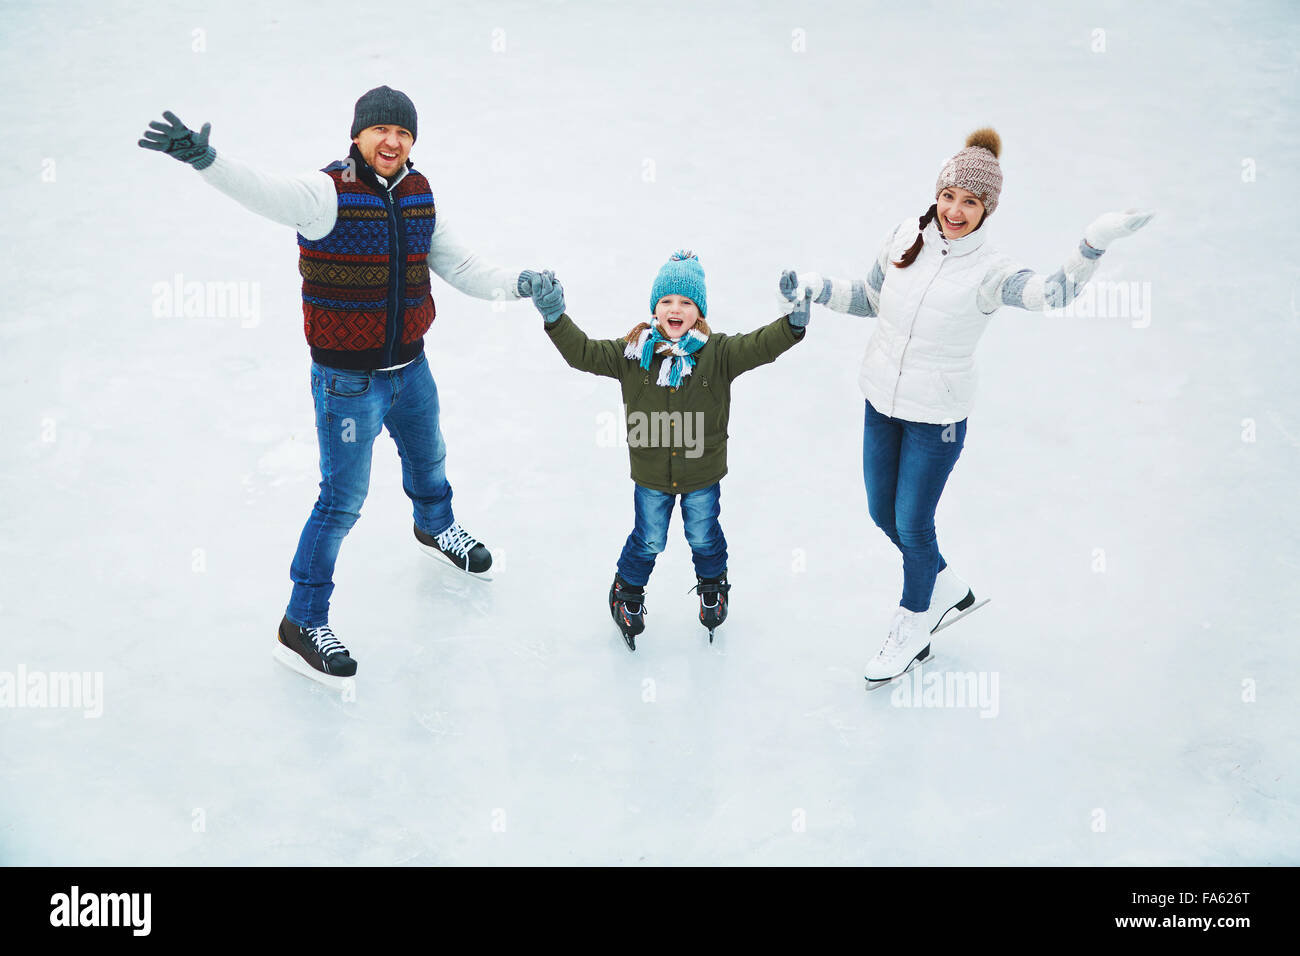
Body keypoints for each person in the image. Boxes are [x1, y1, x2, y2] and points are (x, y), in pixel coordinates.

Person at [138, 86, 543, 685]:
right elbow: (263, 192)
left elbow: (461, 267)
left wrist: (523, 283)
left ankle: (435, 525)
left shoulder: (419, 196)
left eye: (403, 133)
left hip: (410, 368)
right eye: (380, 130)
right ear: (357, 135)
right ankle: (301, 621)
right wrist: (207, 161)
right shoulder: (325, 193)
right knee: (342, 501)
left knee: (430, 459)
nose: (392, 141)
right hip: (347, 383)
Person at [780, 128, 1153, 684]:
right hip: (881, 400)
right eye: (950, 195)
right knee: (882, 513)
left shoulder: (991, 272)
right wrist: (816, 286)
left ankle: (914, 624)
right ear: (938, 192)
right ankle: (946, 586)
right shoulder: (905, 236)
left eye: (971, 202)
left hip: (938, 419)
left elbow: (1055, 293)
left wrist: (1093, 242)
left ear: (987, 210)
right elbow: (869, 298)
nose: (956, 210)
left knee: (912, 520)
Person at [521, 253, 810, 650]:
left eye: (687, 303)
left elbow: (760, 346)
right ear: (654, 308)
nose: (676, 309)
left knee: (703, 536)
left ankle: (713, 586)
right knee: (650, 538)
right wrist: (554, 316)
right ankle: (626, 589)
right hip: (652, 476)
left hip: (702, 475)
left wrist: (791, 325)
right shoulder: (632, 354)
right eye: (667, 301)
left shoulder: (718, 353)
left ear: (700, 312)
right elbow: (583, 353)